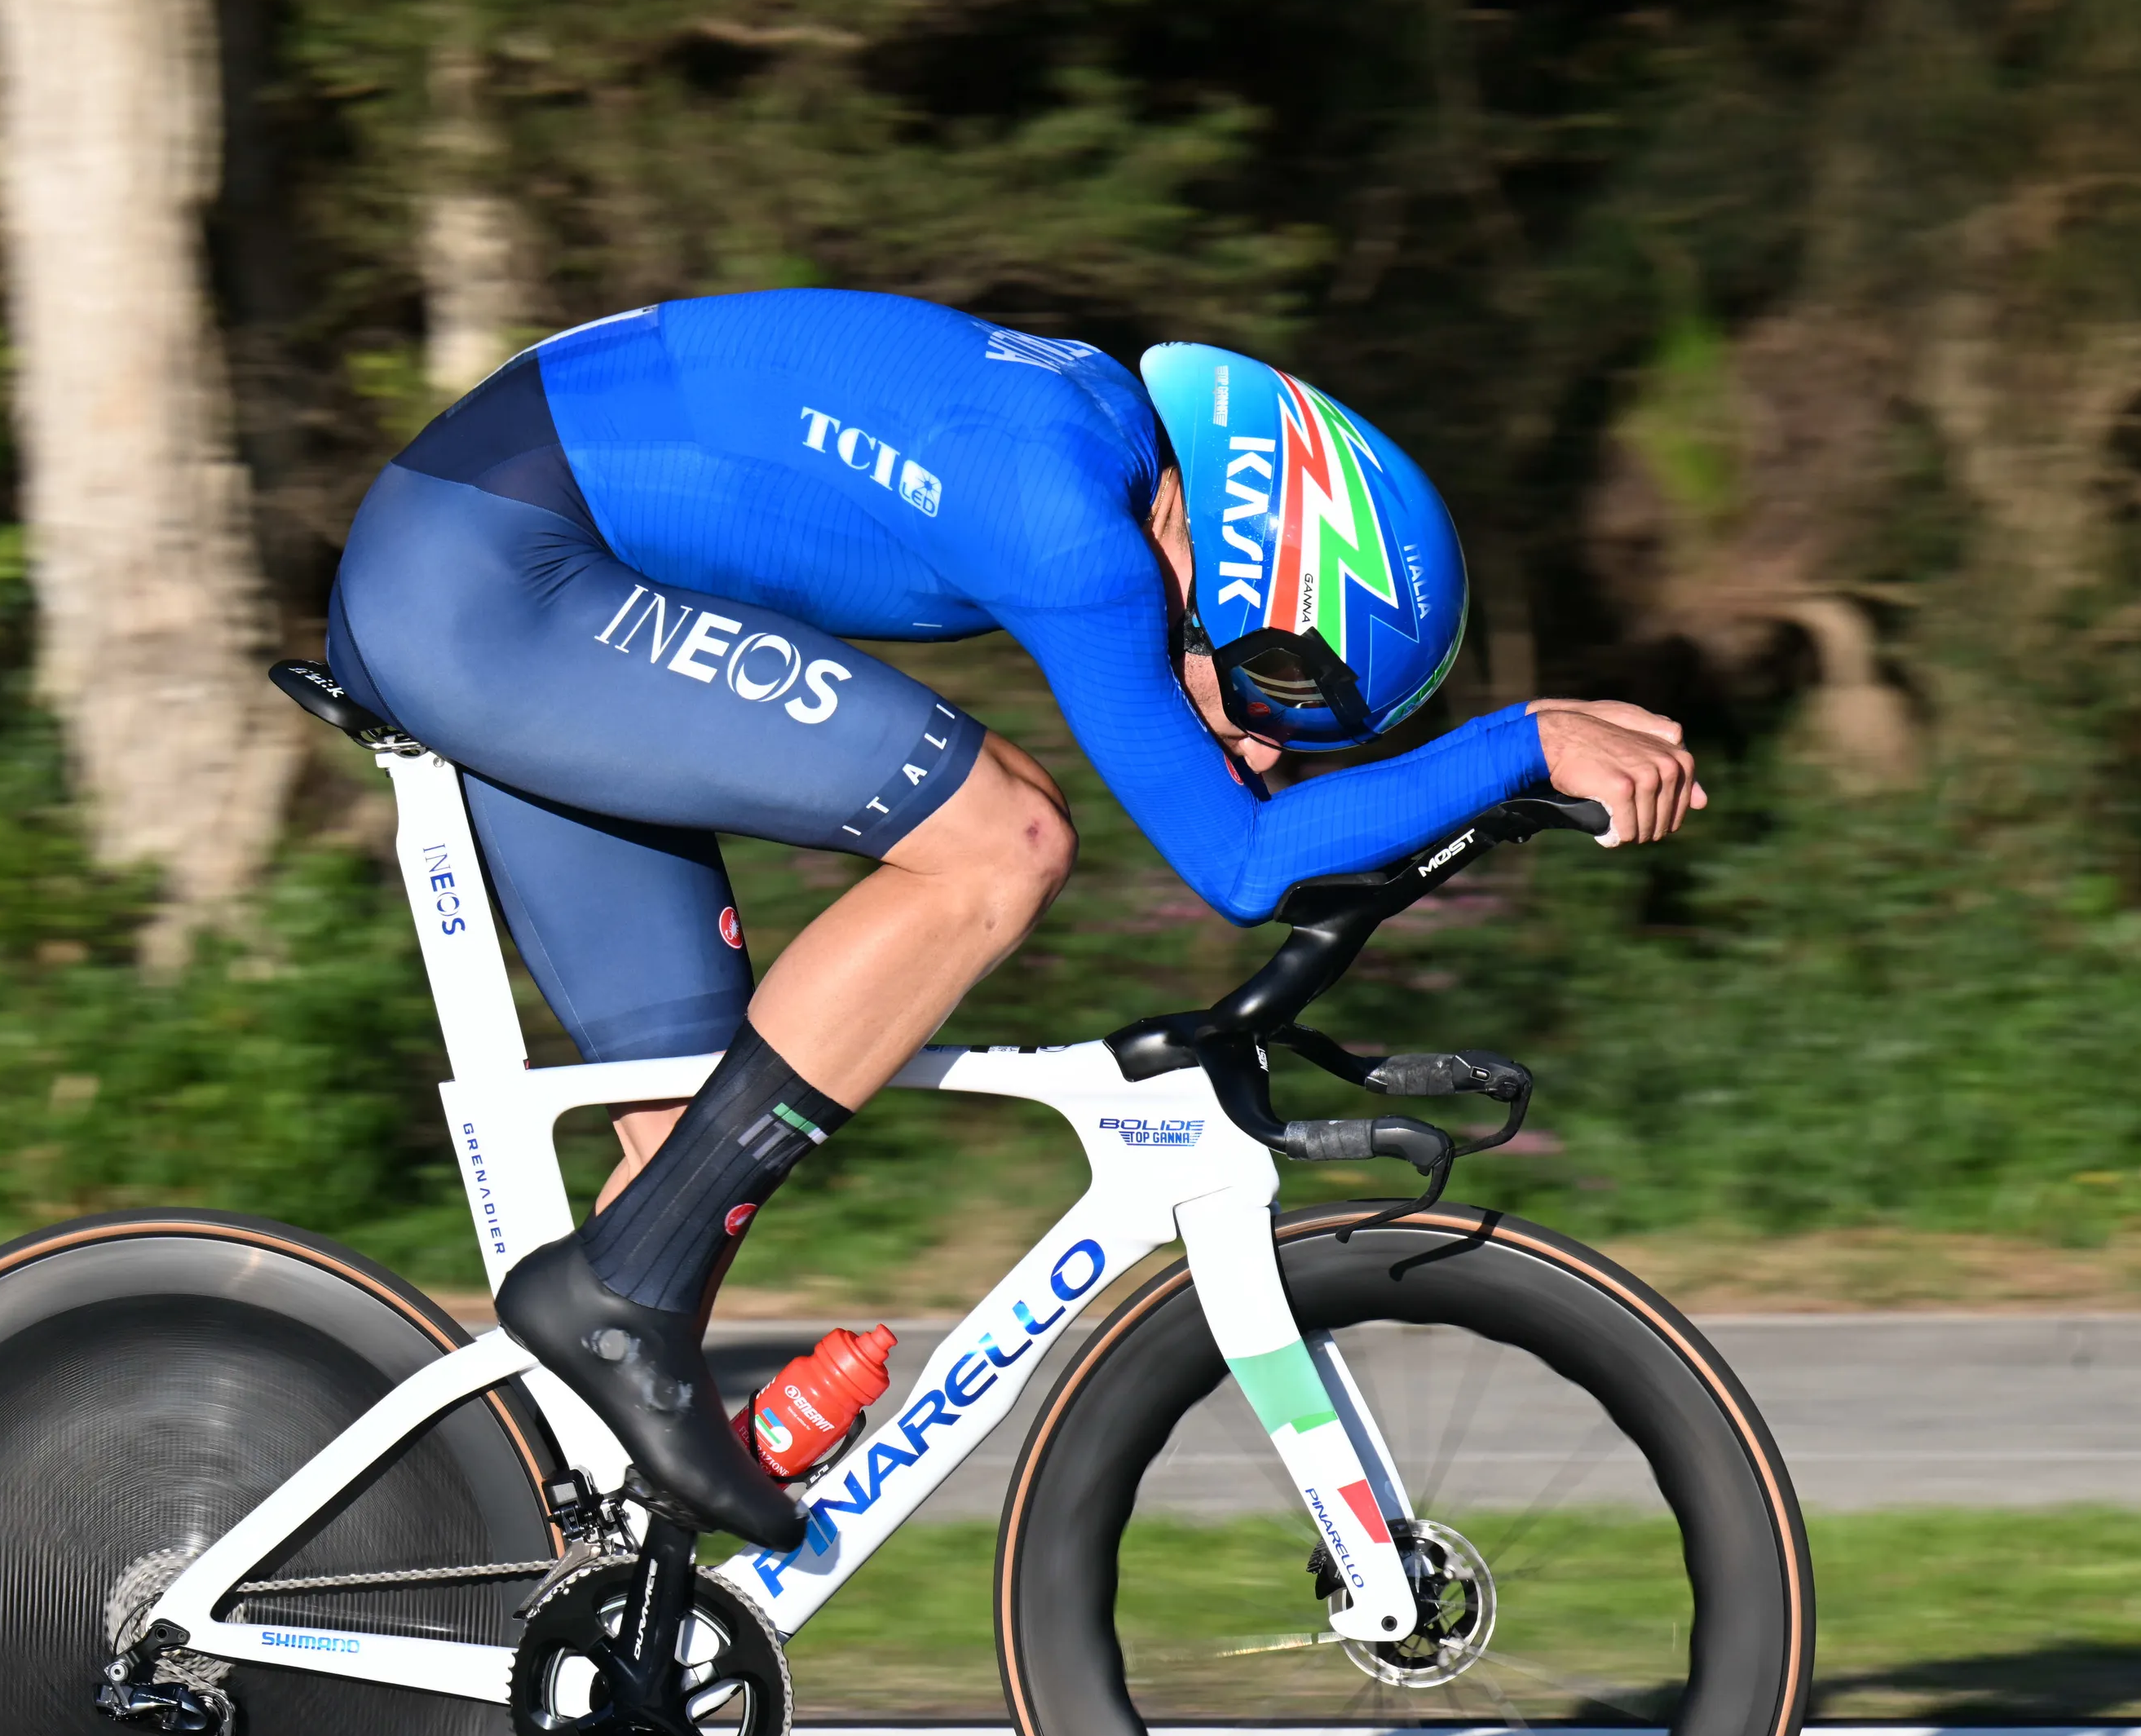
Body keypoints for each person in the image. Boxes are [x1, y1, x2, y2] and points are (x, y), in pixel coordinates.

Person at [322, 290, 1704, 1551]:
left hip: (500, 556)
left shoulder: (1088, 428)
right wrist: (1520, 743)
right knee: (1006, 838)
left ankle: (610, 1657)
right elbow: (1239, 864)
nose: (1277, 745)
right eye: (1285, 685)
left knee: (687, 1133)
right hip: (496, 574)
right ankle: (614, 1309)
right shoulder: (1073, 526)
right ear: (1245, 558)